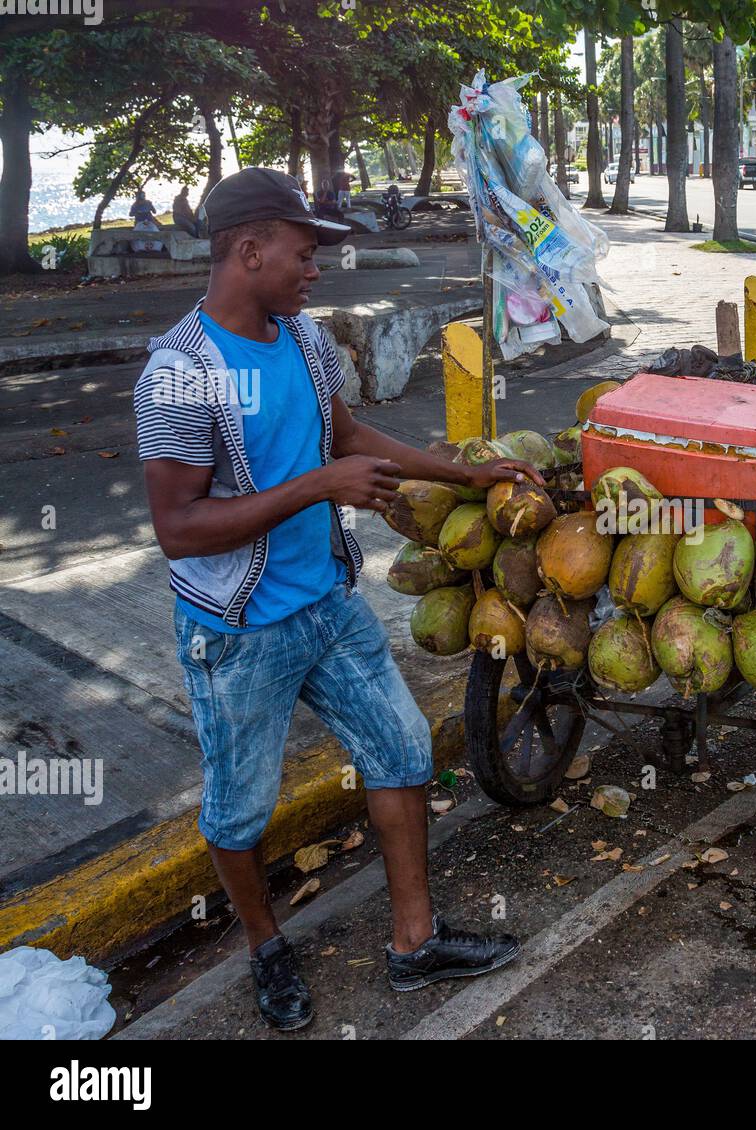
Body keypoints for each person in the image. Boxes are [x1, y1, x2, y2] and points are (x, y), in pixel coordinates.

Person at [132, 167, 545, 1031]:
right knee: (239, 808)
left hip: (327, 602)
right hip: (239, 630)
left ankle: (414, 942)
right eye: (303, 251)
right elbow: (179, 526)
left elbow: (348, 435)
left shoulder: (306, 342)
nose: (316, 269)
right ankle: (265, 947)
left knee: (401, 753)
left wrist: (465, 466)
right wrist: (321, 484)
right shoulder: (179, 371)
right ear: (249, 250)